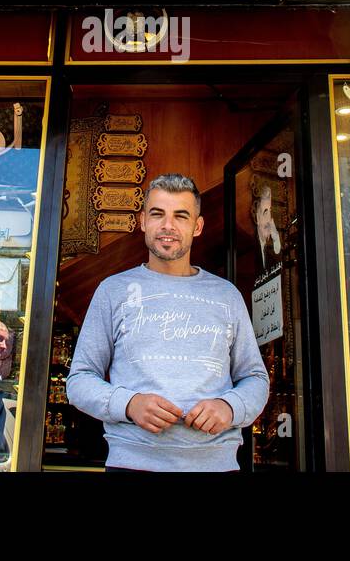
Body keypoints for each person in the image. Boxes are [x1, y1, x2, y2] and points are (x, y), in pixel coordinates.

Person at [66, 173, 270, 471]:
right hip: (132, 465)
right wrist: (130, 404)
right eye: (157, 214)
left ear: (197, 226)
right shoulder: (113, 291)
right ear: (142, 221)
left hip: (216, 465)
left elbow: (255, 378)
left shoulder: (227, 296)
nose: (168, 226)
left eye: (181, 216)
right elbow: (79, 381)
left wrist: (230, 407)